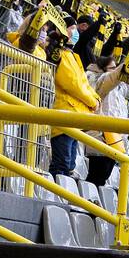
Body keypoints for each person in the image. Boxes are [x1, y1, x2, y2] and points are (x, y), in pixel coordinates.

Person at [48, 19, 100, 178]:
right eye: (71, 28)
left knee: (69, 165)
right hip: (65, 115)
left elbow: (82, 82)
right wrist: (92, 101)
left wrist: (95, 98)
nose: (74, 31)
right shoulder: (61, 55)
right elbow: (72, 83)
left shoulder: (71, 55)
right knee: (62, 164)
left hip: (74, 117)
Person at [84, 54, 129, 187]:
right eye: (112, 67)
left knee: (102, 177)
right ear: (102, 68)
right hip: (101, 137)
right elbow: (112, 78)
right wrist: (126, 65)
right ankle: (87, 202)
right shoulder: (99, 81)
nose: (115, 70)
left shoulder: (119, 88)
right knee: (97, 177)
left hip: (114, 139)